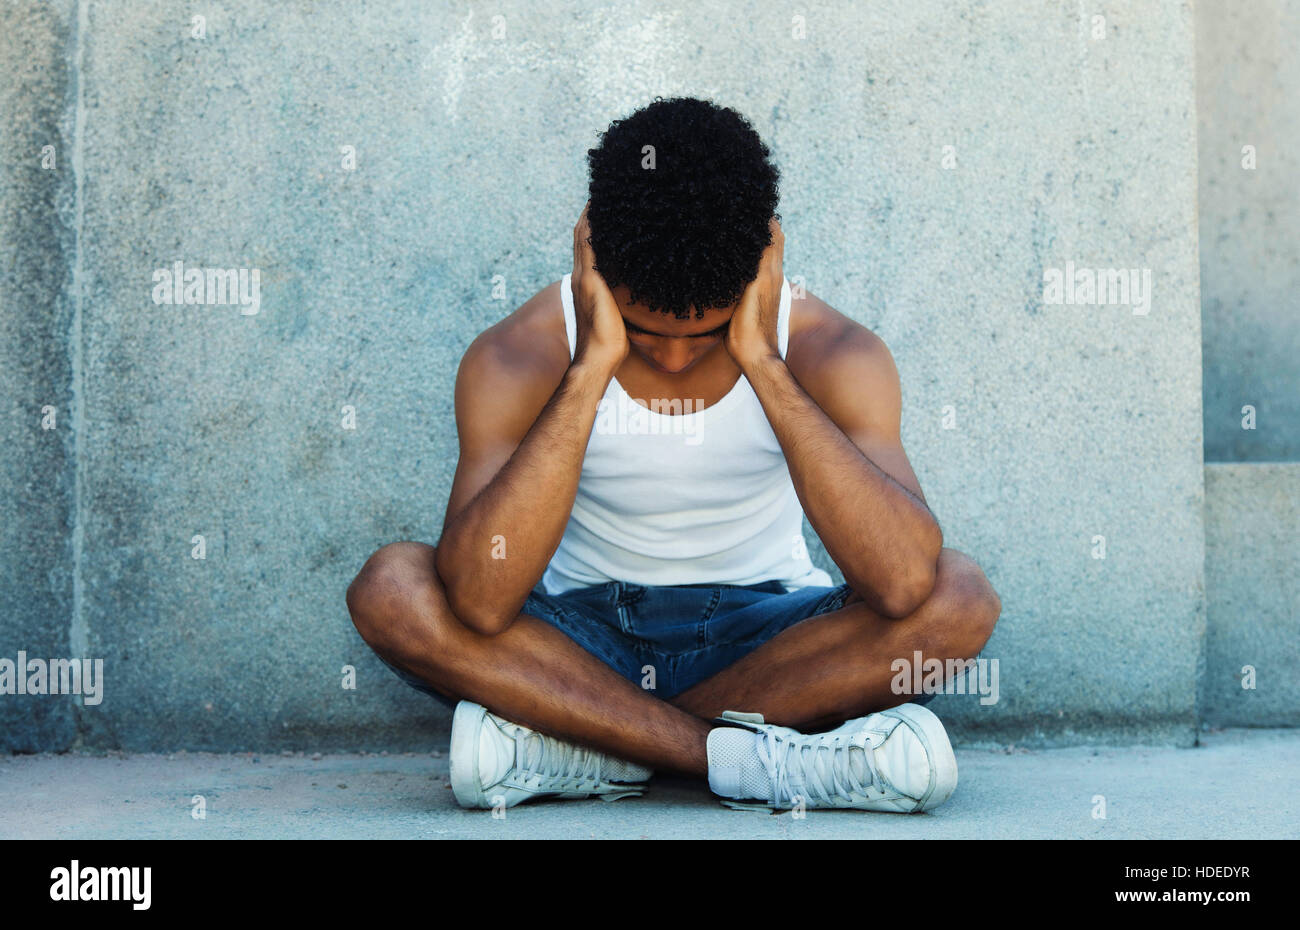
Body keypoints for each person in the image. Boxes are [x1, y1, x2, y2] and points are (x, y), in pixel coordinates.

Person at [347, 97, 1000, 813]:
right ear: (591, 249)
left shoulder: (835, 353)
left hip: (766, 645)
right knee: (394, 589)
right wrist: (592, 364)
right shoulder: (517, 356)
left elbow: (905, 583)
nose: (673, 355)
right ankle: (758, 763)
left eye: (709, 334)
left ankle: (588, 745)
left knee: (958, 599)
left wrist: (763, 362)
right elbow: (478, 596)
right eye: (642, 328)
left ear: (765, 260)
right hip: (576, 641)